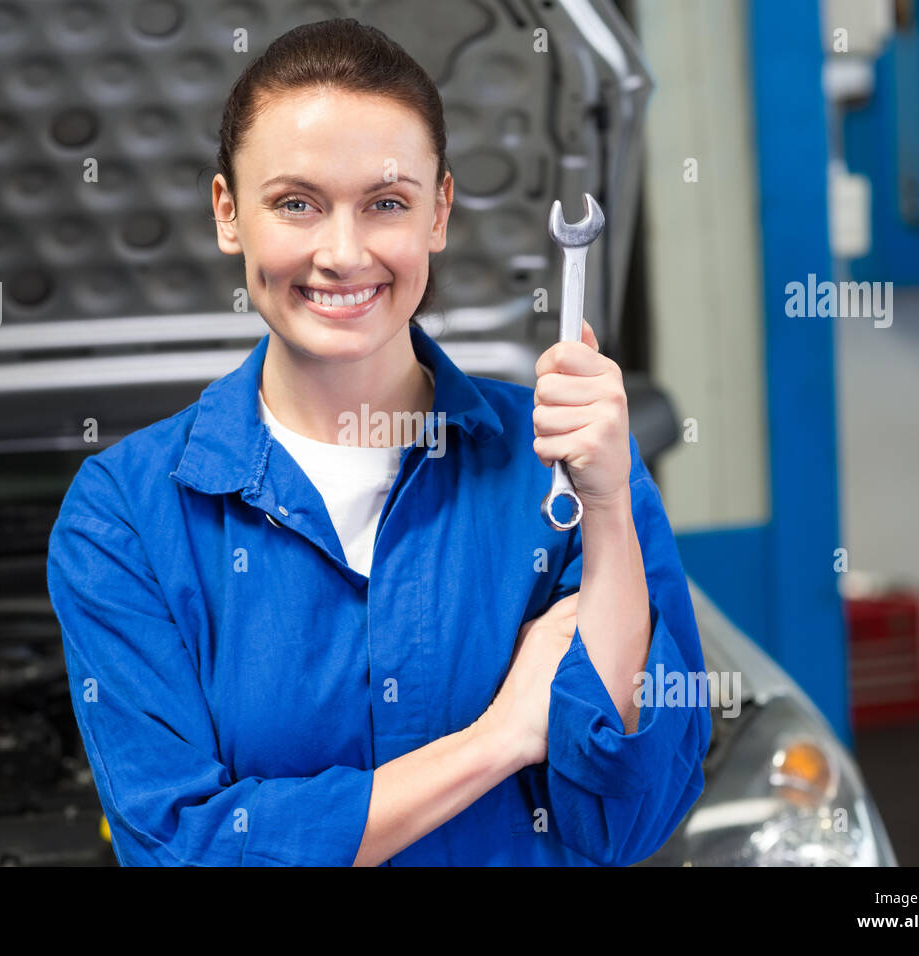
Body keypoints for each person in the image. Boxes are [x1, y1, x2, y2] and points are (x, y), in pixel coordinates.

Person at [46, 18, 710, 866]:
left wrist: (611, 505)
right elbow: (190, 848)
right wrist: (498, 740)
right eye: (296, 203)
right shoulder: (127, 516)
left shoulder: (564, 469)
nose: (343, 253)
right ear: (227, 213)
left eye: (386, 204)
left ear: (438, 213)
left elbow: (628, 819)